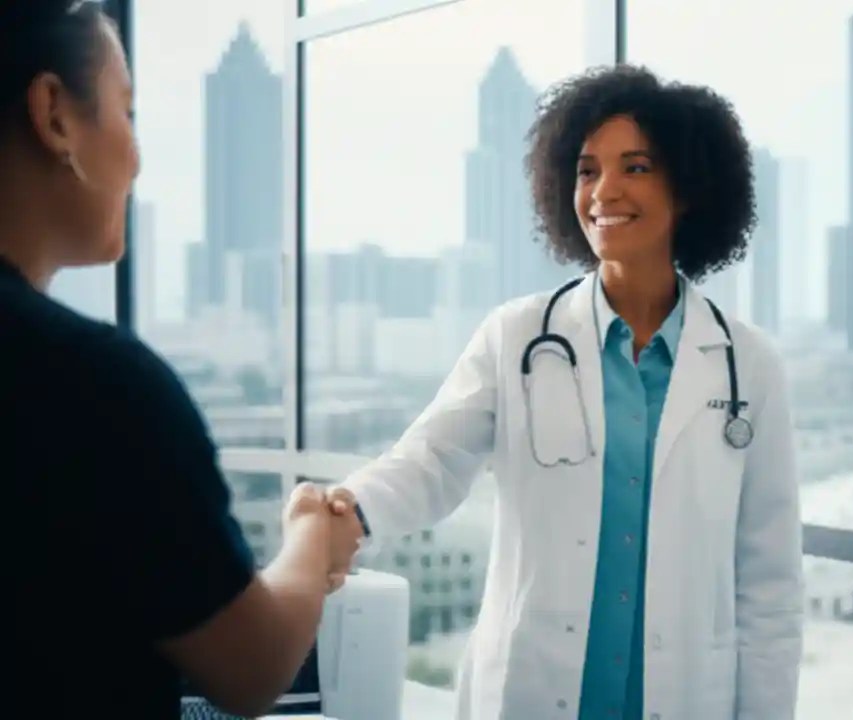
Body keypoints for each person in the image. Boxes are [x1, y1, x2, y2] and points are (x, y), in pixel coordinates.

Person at [325, 64, 803, 719]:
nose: (604, 190)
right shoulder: (517, 335)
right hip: (529, 689)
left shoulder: (750, 365)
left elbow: (770, 583)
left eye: (635, 166)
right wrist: (347, 514)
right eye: (586, 169)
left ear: (688, 187)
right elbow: (430, 461)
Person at [0, 2, 359, 716]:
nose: (137, 153)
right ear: (54, 114)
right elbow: (250, 666)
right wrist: (313, 537)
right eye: (126, 112)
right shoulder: (93, 386)